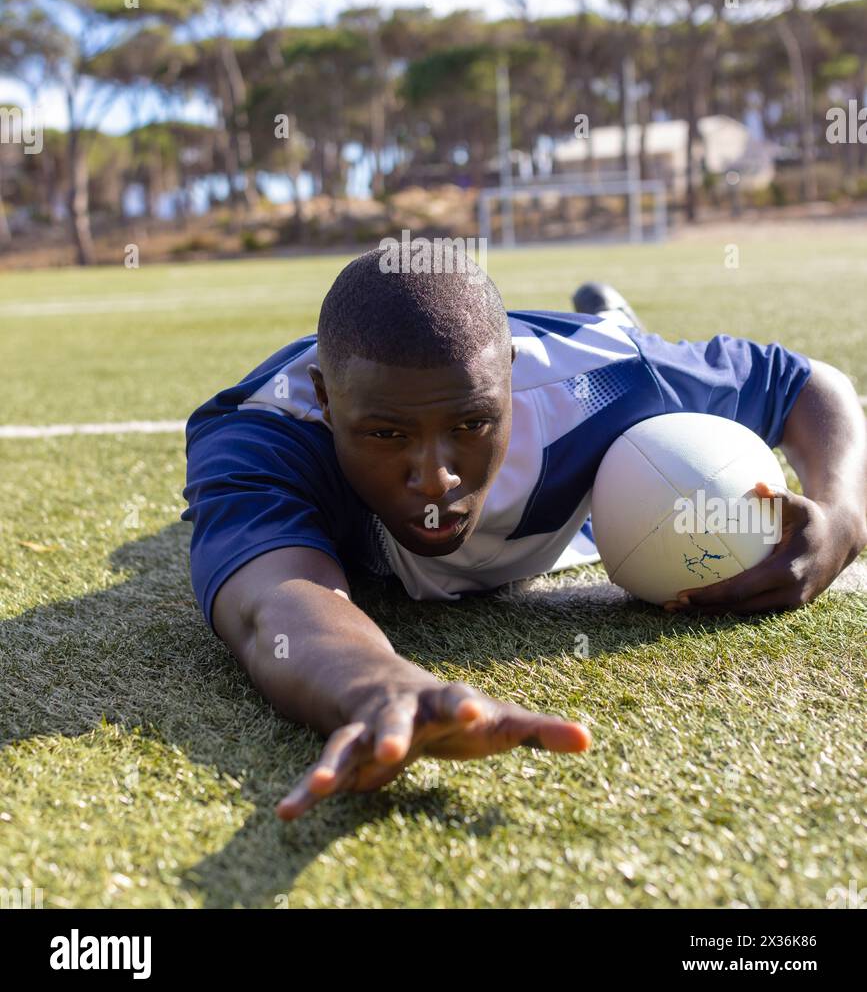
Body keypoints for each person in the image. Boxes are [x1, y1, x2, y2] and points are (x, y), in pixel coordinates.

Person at [180, 253, 867, 822]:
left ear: (511, 377)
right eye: (385, 435)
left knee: (642, 428)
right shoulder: (261, 437)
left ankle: (612, 319)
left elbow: (808, 383)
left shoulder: (610, 381)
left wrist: (842, 513)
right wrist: (374, 681)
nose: (435, 478)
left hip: (582, 373)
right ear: (327, 401)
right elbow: (270, 599)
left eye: (472, 424)